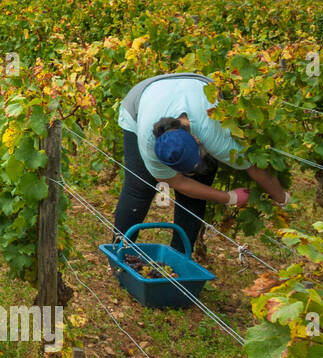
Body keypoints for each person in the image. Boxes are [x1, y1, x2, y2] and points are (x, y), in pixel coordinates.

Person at [112, 72, 290, 256]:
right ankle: (120, 255)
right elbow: (178, 182)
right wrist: (230, 197)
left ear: (197, 140)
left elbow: (254, 166)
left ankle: (179, 262)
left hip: (196, 85)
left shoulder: (214, 135)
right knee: (139, 188)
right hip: (142, 97)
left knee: (195, 196)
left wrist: (281, 197)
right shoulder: (148, 142)